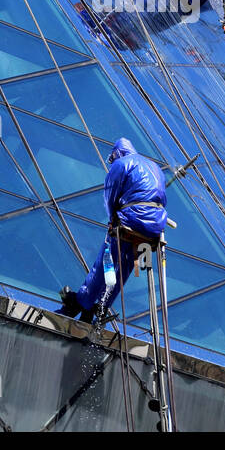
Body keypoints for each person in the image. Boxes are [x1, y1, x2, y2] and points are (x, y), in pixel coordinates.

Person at [58, 138, 168, 323]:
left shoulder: (122, 164)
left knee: (106, 261)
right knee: (125, 266)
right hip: (156, 225)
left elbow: (110, 195)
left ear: (117, 153)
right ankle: (103, 305)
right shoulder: (155, 167)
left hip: (132, 218)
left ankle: (82, 301)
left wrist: (112, 220)